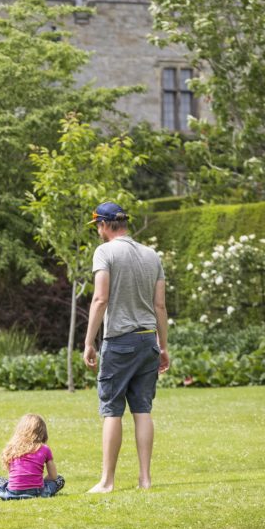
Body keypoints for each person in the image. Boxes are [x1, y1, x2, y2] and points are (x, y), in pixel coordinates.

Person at [82, 202, 170, 493]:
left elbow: (100, 299)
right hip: (148, 340)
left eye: (97, 225)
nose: (97, 230)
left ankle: (107, 481)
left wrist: (89, 342)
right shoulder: (151, 254)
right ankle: (145, 479)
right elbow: (159, 305)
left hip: (119, 341)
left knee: (112, 410)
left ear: (105, 225)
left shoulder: (105, 252)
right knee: (143, 409)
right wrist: (163, 345)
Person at [0, 413, 65, 499]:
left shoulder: (12, 448)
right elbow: (53, 476)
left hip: (13, 492)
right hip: (37, 492)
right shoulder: (44, 449)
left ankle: (9, 494)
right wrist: (38, 482)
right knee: (59, 479)